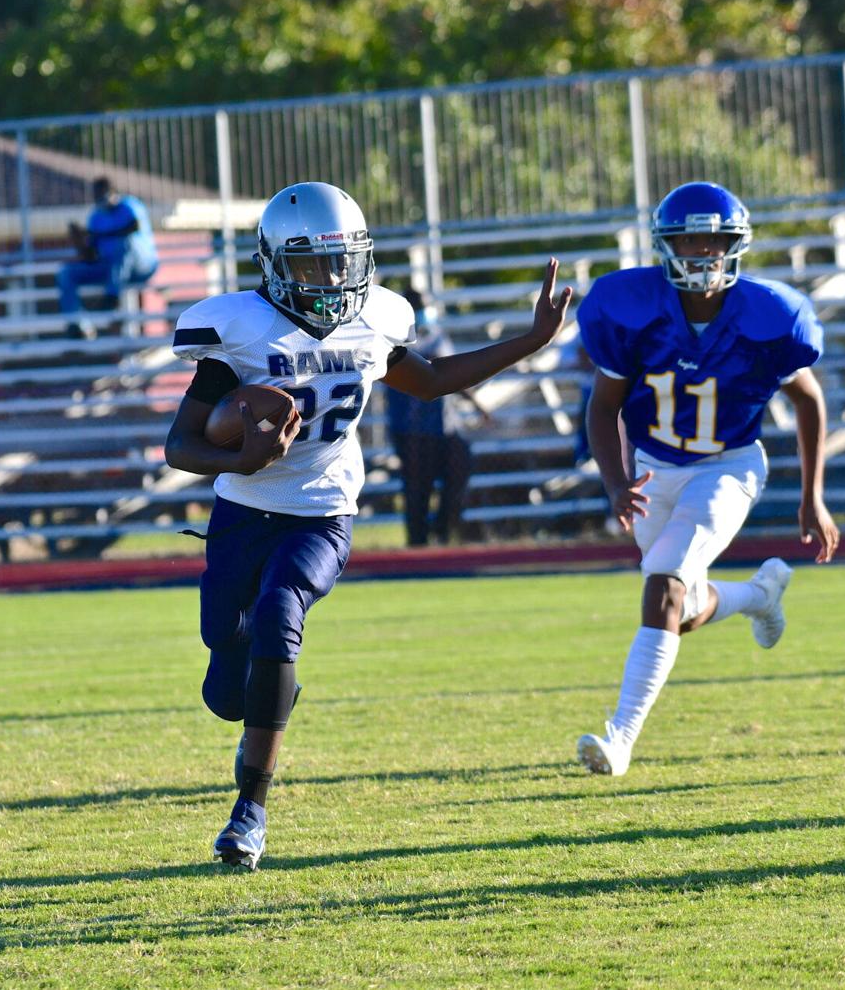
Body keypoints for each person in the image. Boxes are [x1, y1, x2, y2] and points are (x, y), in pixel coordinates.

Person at [165, 181, 571, 868]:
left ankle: (250, 809)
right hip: (242, 511)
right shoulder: (235, 328)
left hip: (323, 512)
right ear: (271, 263)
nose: (328, 279)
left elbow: (435, 378)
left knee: (279, 611)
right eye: (308, 264)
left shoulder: (375, 319)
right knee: (226, 681)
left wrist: (529, 341)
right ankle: (266, 688)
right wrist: (242, 451)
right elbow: (180, 447)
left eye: (339, 261)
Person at [574, 181, 840, 776]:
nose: (701, 253)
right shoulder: (630, 308)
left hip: (728, 466)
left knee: (662, 585)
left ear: (734, 246)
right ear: (665, 245)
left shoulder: (771, 314)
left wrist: (812, 496)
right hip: (654, 468)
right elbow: (602, 406)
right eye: (688, 240)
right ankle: (759, 597)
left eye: (713, 241)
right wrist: (616, 481)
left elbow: (809, 401)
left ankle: (621, 738)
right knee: (682, 610)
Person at [384, 287, 482, 546]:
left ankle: (442, 533)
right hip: (411, 428)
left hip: (445, 424)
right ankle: (418, 544)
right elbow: (432, 371)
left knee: (458, 474)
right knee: (417, 488)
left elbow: (452, 375)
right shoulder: (392, 338)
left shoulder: (437, 335)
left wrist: (478, 406)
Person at [57, 177, 158, 319]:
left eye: (102, 195)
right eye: (96, 196)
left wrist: (98, 234)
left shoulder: (129, 205)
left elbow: (134, 227)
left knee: (123, 245)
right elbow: (91, 256)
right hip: (112, 270)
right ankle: (76, 323)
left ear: (113, 193)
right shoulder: (96, 216)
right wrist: (79, 241)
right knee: (66, 273)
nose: (99, 200)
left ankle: (112, 298)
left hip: (141, 267)